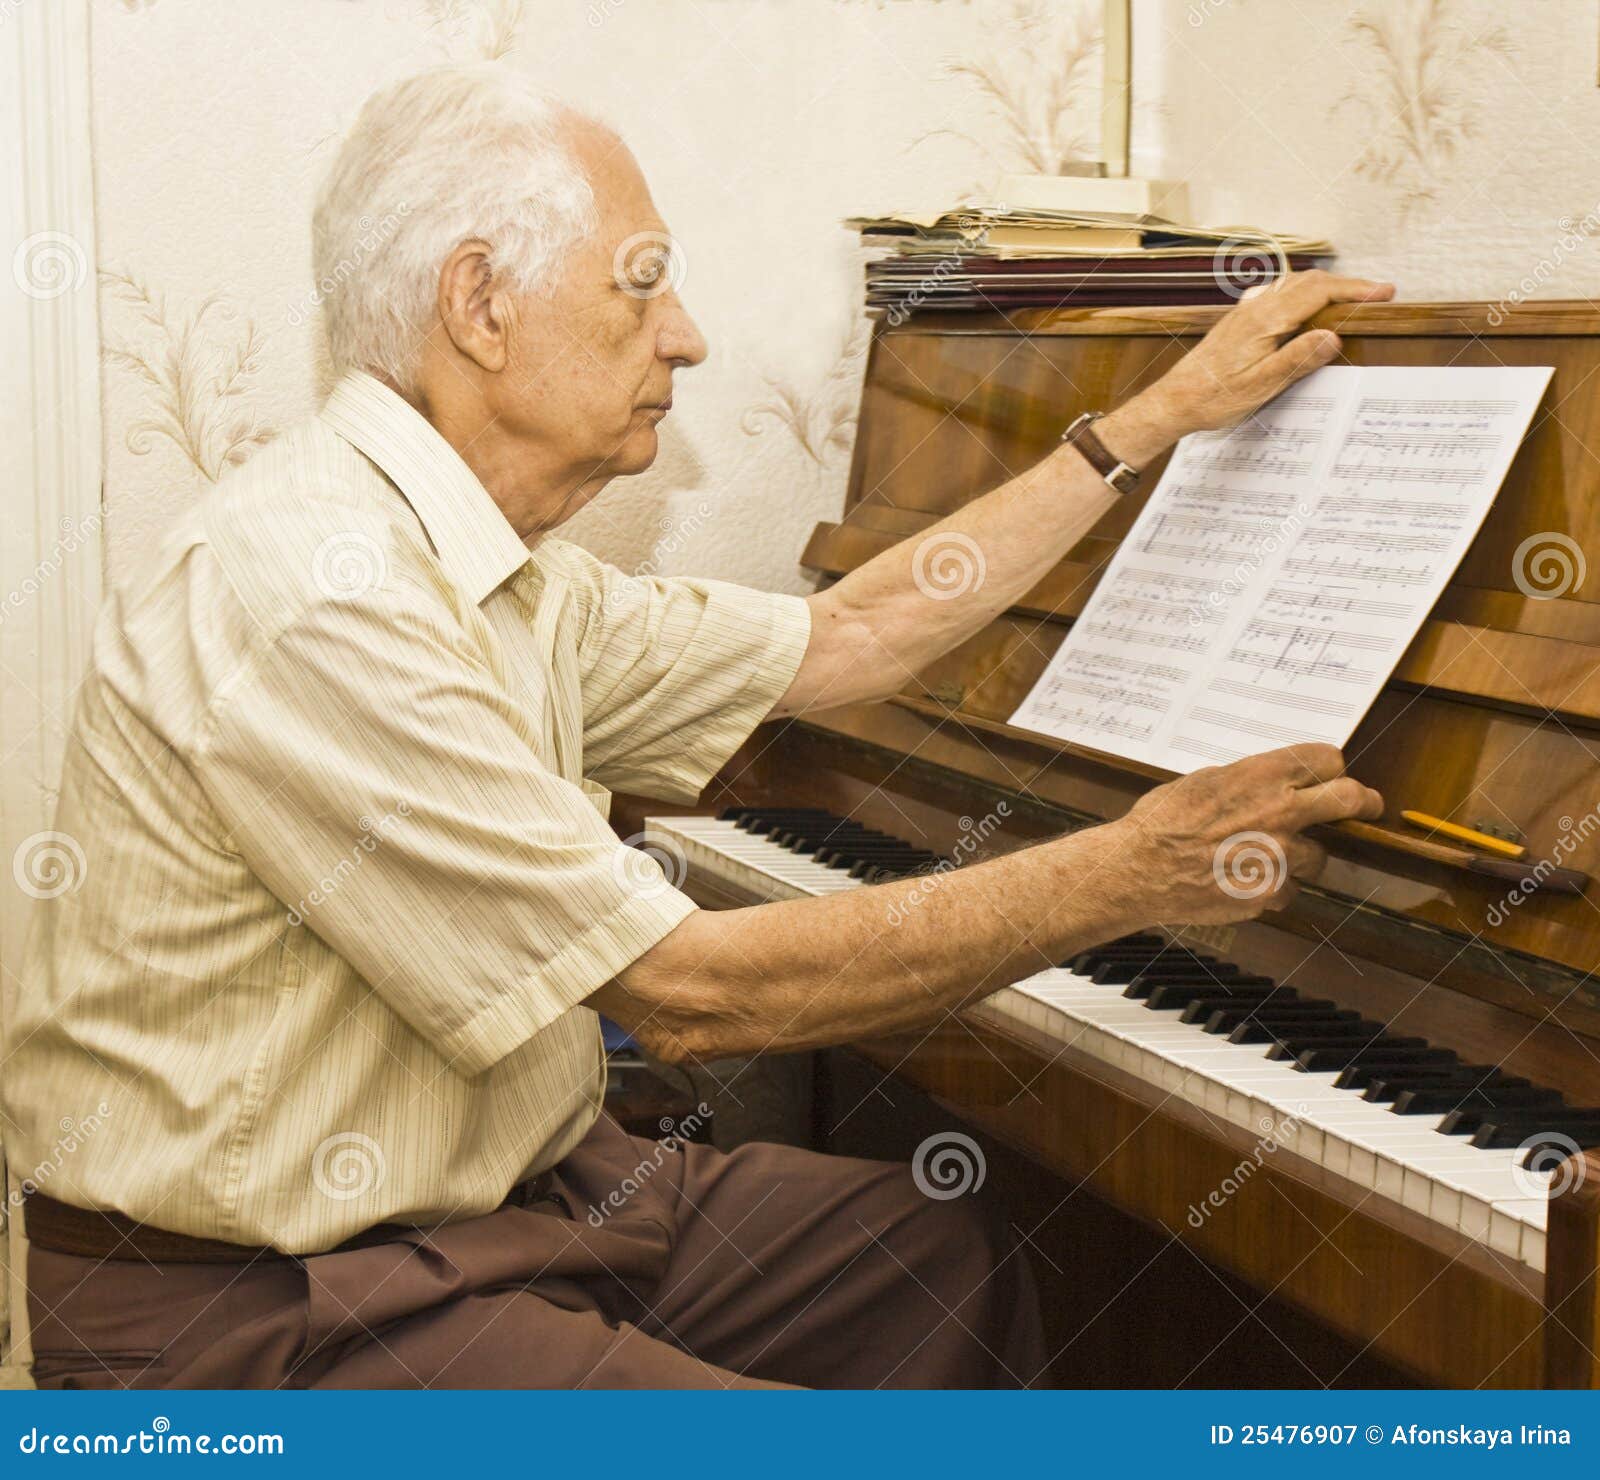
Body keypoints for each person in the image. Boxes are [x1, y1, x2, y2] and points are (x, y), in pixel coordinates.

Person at [3, 63, 1389, 1390]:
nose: (688, 334)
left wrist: (1153, 419)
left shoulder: (491, 563)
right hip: (262, 1315)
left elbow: (850, 638)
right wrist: (1128, 873)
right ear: (481, 304)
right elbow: (695, 993)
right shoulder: (319, 592)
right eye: (644, 283)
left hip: (518, 1207)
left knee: (937, 1256)